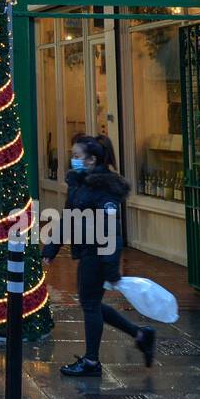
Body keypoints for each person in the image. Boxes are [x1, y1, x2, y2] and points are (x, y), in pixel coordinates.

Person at [42, 135, 155, 376]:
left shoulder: (105, 189)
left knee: (90, 304)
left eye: (76, 156)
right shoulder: (79, 183)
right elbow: (68, 219)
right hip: (87, 251)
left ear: (92, 159)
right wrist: (51, 249)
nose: (73, 160)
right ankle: (141, 335)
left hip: (98, 253)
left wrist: (112, 267)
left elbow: (112, 231)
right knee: (91, 303)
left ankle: (92, 362)